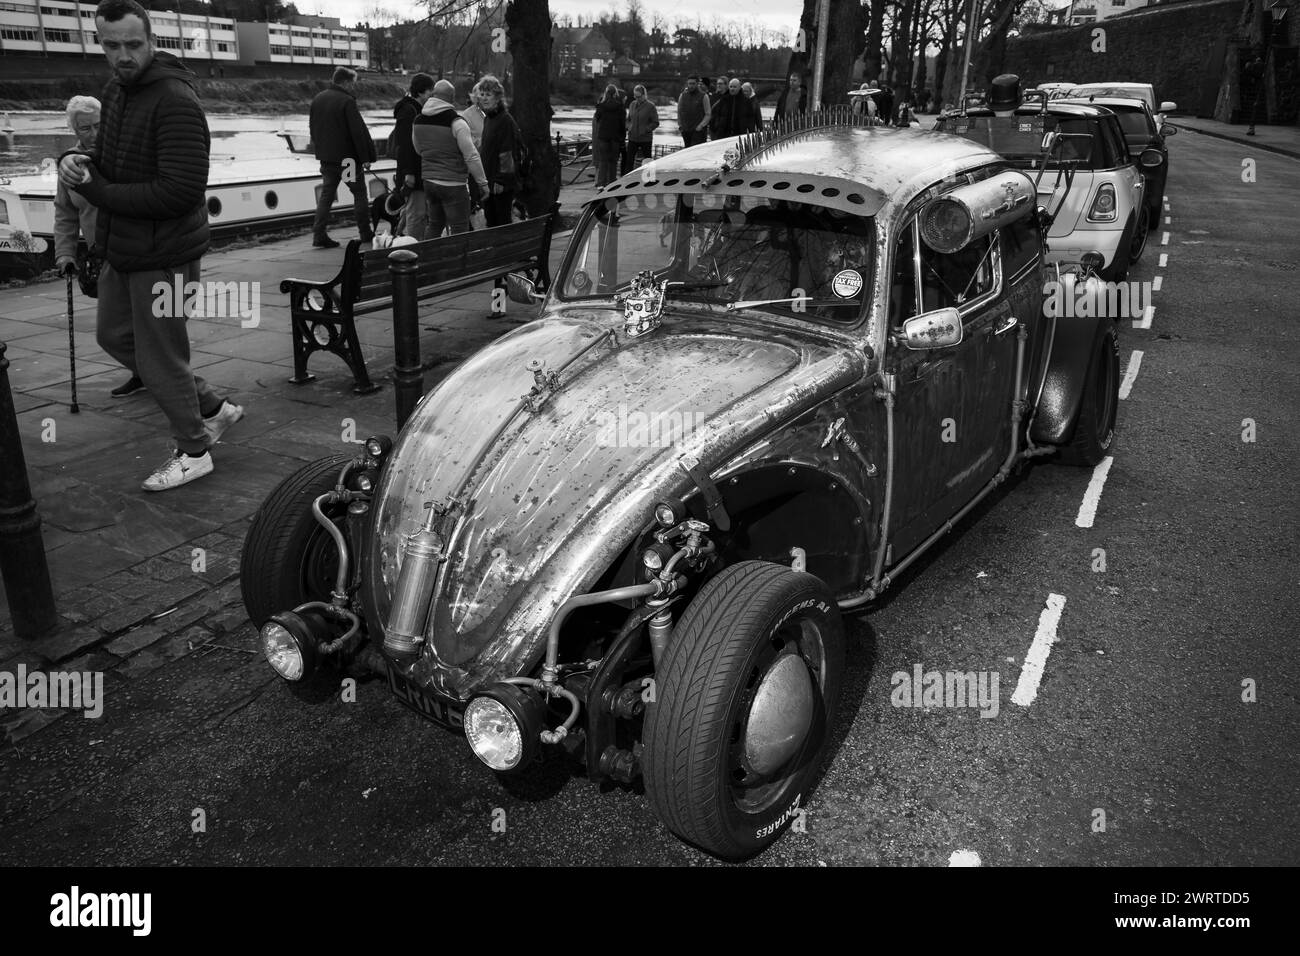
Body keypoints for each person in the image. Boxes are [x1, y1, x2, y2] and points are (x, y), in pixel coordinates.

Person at [59, 0, 241, 492]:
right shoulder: (117, 90)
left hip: (167, 255)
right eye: (111, 44)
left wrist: (94, 190)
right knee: (114, 336)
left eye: (133, 44)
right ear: (100, 42)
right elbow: (110, 154)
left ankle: (194, 450)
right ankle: (212, 406)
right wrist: (77, 160)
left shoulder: (174, 99)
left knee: (161, 357)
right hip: (126, 248)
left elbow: (179, 191)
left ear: (152, 40)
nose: (123, 54)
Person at [55, 95, 140, 399]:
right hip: (101, 258)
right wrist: (65, 253)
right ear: (74, 131)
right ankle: (148, 373)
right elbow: (65, 213)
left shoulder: (122, 156)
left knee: (150, 326)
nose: (93, 134)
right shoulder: (69, 166)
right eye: (84, 129)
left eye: (98, 125)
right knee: (111, 333)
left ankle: (163, 376)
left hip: (137, 253)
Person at [309, 66, 376, 248]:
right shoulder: (347, 101)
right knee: (359, 194)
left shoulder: (318, 99)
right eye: (353, 83)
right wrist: (365, 158)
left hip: (326, 158)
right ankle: (365, 233)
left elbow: (313, 129)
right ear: (345, 82)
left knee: (326, 196)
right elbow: (357, 133)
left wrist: (320, 150)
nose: (354, 87)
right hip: (346, 160)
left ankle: (319, 234)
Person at [412, 78, 488, 238]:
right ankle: (458, 261)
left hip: (429, 182)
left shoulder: (418, 121)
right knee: (459, 229)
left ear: (433, 95)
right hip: (453, 183)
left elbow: (419, 150)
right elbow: (471, 155)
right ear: (452, 98)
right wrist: (482, 182)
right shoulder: (457, 122)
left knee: (434, 225)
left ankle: (429, 259)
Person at [391, 72, 434, 239]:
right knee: (416, 213)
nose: (432, 96)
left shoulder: (415, 109)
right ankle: (416, 249)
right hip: (412, 171)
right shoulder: (408, 111)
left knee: (421, 212)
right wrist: (408, 173)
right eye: (431, 92)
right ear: (422, 92)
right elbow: (405, 145)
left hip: (419, 170)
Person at [477, 74, 520, 228]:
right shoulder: (488, 119)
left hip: (500, 184)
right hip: (488, 180)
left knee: (502, 223)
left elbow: (507, 153)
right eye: (481, 94)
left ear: (498, 97)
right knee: (491, 221)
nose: (484, 98)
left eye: (488, 94)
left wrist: (502, 180)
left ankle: (505, 251)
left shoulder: (505, 120)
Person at [592, 83, 625, 187]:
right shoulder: (620, 106)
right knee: (613, 162)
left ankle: (601, 184)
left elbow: (597, 118)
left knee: (603, 161)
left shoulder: (601, 105)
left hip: (603, 137)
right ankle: (612, 183)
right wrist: (622, 138)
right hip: (615, 137)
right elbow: (622, 124)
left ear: (606, 93)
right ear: (615, 93)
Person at [625, 84, 659, 170]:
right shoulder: (632, 104)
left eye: (638, 96)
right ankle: (628, 179)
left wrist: (646, 129)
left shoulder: (651, 106)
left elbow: (655, 122)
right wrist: (629, 127)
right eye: (635, 96)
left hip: (645, 138)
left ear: (644, 95)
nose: (637, 99)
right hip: (632, 137)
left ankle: (650, 180)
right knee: (629, 160)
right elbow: (629, 119)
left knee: (648, 161)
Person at [676, 74, 710, 148]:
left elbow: (708, 114)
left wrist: (701, 126)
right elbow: (679, 111)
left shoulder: (704, 96)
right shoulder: (682, 95)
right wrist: (680, 125)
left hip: (698, 131)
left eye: (693, 84)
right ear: (687, 84)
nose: (691, 86)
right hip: (685, 130)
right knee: (687, 152)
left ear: (697, 84)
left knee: (697, 152)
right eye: (689, 83)